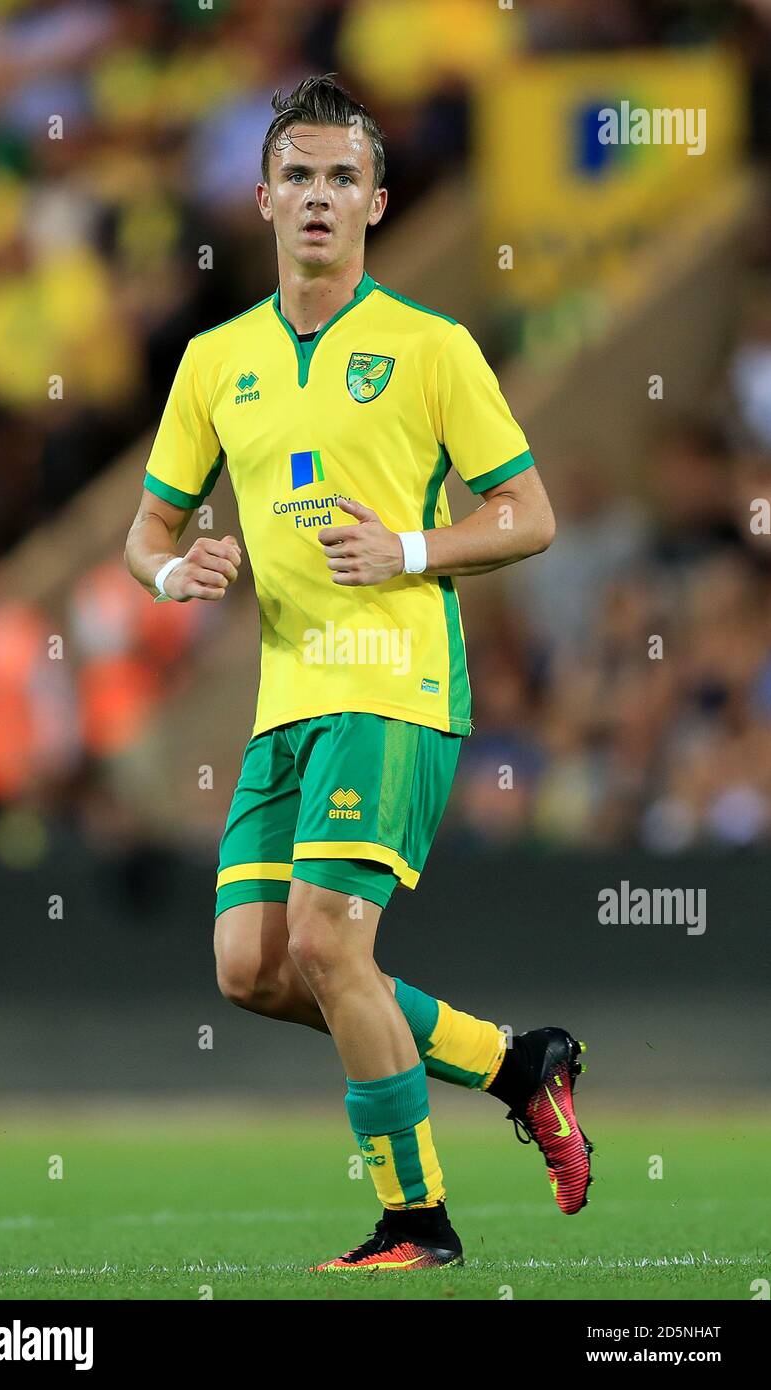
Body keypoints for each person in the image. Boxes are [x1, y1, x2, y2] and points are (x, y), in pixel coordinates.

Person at [124, 74, 592, 1271]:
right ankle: (515, 1060)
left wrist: (409, 550)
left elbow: (530, 514)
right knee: (255, 968)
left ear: (378, 202)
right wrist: (174, 576)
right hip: (287, 700)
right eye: (299, 175)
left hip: (394, 684)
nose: (320, 196)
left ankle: (414, 1221)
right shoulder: (212, 359)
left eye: (343, 177)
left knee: (333, 946)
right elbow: (147, 533)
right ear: (263, 196)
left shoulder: (431, 347)